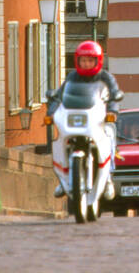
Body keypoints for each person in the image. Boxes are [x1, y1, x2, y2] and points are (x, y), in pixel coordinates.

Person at [46, 40, 124, 199]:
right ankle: (63, 180)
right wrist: (52, 112)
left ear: (98, 61)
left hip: (97, 119)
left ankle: (108, 177)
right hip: (75, 119)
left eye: (90, 60)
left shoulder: (105, 77)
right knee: (61, 140)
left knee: (110, 134)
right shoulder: (72, 76)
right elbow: (60, 95)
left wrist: (112, 111)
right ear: (77, 61)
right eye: (83, 60)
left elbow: (114, 95)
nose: (87, 64)